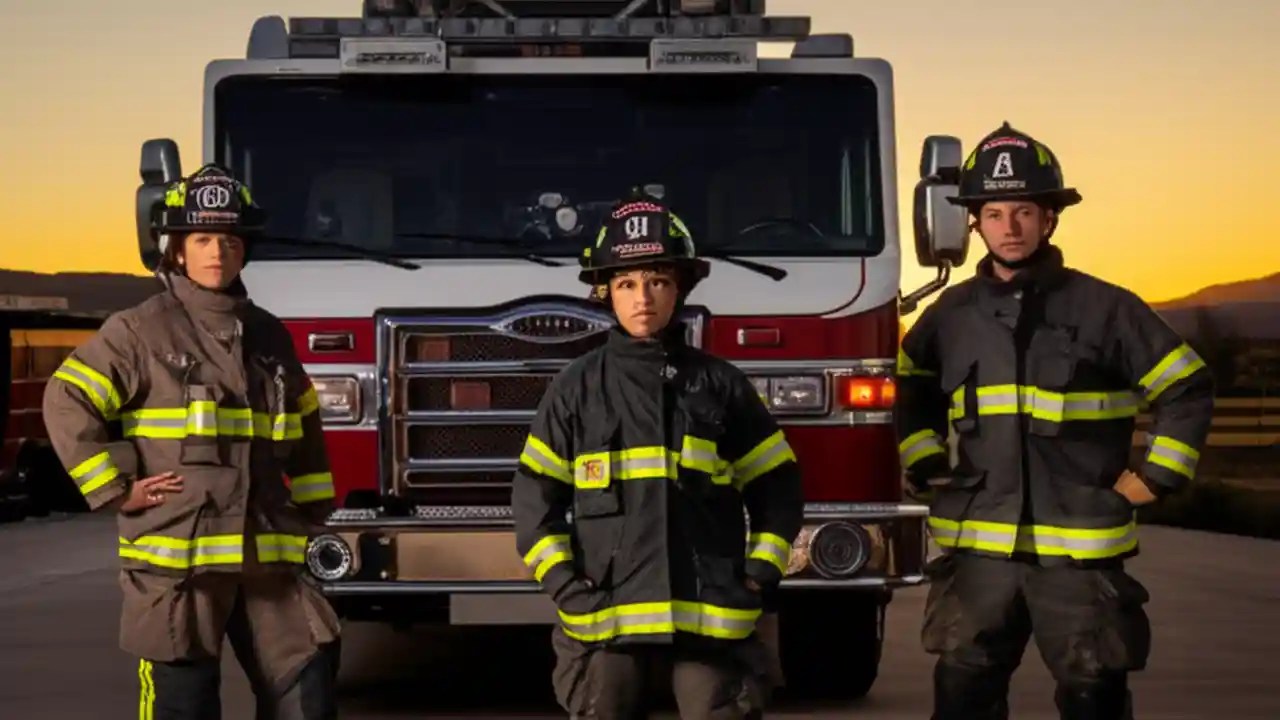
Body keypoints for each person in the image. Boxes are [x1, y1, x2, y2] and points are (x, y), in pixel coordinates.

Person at [895, 122, 1215, 720]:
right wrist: (923, 458)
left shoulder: (1106, 308)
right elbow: (909, 386)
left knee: (1094, 698)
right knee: (962, 700)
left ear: (1050, 218)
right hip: (978, 559)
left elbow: (1188, 385)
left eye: (1024, 211)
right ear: (974, 222)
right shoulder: (952, 313)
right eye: (993, 213)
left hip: (1081, 559)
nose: (1009, 227)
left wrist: (1158, 475)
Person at [42, 164, 342, 719]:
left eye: (230, 239)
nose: (217, 252)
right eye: (202, 238)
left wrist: (314, 511)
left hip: (269, 557)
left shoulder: (270, 334)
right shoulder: (140, 331)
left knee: (308, 688)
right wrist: (114, 490)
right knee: (185, 707)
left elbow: (304, 426)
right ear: (176, 249)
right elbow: (65, 400)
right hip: (180, 562)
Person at [511, 193, 804, 720]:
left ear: (679, 289)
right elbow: (535, 500)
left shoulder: (720, 384)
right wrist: (564, 585)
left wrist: (760, 571)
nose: (642, 297)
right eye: (626, 283)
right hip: (606, 619)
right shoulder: (576, 388)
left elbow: (777, 484)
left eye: (658, 281)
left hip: (709, 620)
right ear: (605, 292)